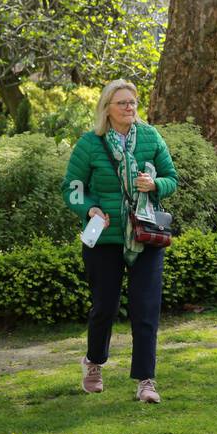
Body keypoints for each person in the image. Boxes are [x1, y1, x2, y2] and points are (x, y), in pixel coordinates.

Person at [62, 80, 178, 403]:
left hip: (145, 234)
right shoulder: (89, 144)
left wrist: (154, 184)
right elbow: (71, 188)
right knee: (105, 306)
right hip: (105, 239)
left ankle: (146, 380)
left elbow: (173, 179)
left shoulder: (151, 137)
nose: (130, 108)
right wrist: (89, 207)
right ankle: (94, 362)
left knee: (146, 309)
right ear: (107, 109)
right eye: (123, 103)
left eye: (133, 102)